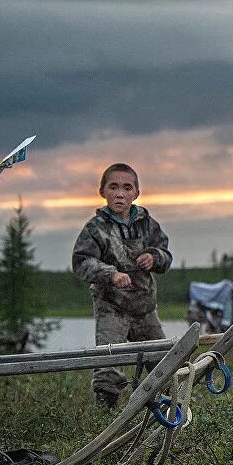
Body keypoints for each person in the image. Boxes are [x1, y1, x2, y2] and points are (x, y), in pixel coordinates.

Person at [72, 163, 172, 408]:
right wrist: (110, 274)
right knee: (108, 363)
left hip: (144, 307)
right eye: (113, 187)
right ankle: (104, 415)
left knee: (163, 362)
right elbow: (81, 261)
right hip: (111, 306)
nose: (120, 193)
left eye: (127, 188)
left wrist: (154, 257)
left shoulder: (148, 224)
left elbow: (165, 255)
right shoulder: (95, 229)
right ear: (102, 191)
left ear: (136, 193)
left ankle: (168, 408)